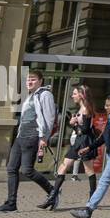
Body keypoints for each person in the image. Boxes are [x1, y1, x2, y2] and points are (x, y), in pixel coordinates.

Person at [0, 70, 57, 213]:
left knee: (27, 170)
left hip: (33, 137)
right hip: (21, 136)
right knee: (11, 168)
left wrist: (43, 139)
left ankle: (52, 191)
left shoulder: (45, 95)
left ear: (40, 81)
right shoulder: (29, 96)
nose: (29, 82)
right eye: (28, 79)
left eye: (33, 79)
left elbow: (49, 118)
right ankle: (11, 203)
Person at [40, 82, 100, 211]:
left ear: (81, 95)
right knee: (63, 166)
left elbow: (84, 129)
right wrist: (75, 123)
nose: (72, 96)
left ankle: (93, 198)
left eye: (74, 94)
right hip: (79, 141)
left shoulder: (86, 109)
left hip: (85, 142)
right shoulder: (81, 108)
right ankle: (53, 196)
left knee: (89, 170)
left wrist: (74, 123)